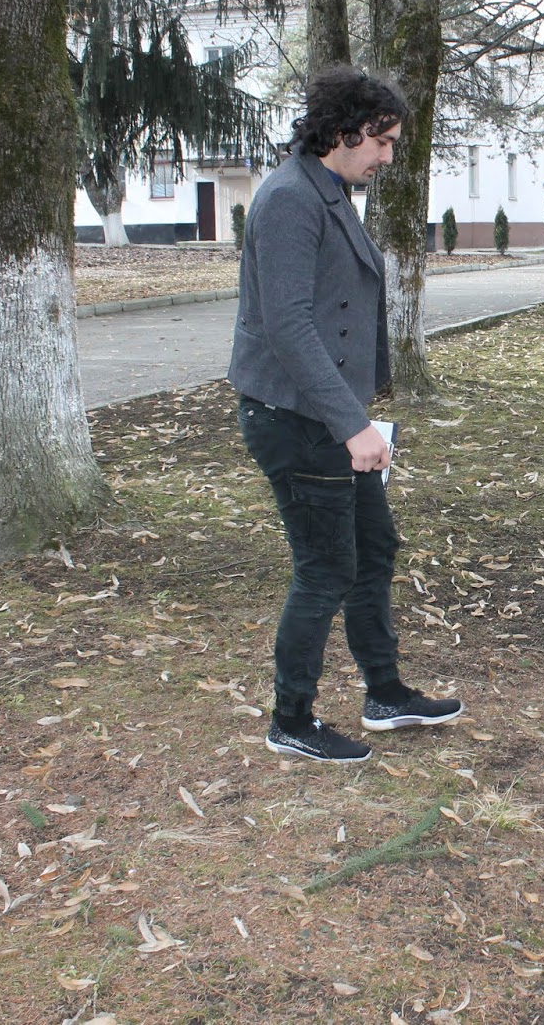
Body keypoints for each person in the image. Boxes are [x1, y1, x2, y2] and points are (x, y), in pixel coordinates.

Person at [228, 64, 462, 765]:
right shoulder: (289, 201)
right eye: (382, 141)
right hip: (298, 419)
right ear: (345, 131)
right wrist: (352, 424)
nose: (388, 157)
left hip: (329, 415)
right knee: (325, 569)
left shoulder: (325, 190)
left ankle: (385, 693)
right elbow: (289, 327)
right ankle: (291, 719)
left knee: (374, 549)